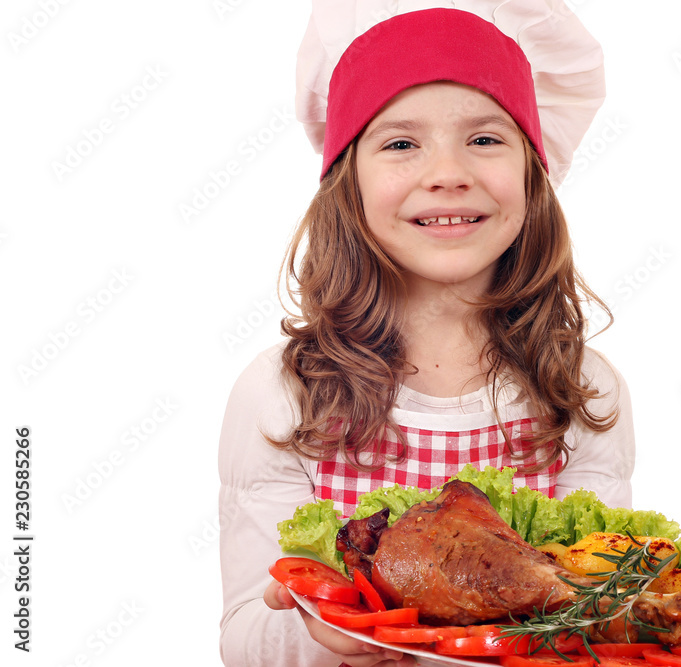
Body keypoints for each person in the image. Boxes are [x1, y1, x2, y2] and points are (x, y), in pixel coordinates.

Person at [218, 3, 635, 665]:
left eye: (486, 138)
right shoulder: (283, 394)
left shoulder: (582, 389)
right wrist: (323, 637)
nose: (448, 172)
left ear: (534, 173)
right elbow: (245, 637)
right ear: (346, 182)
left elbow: (602, 604)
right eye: (401, 143)